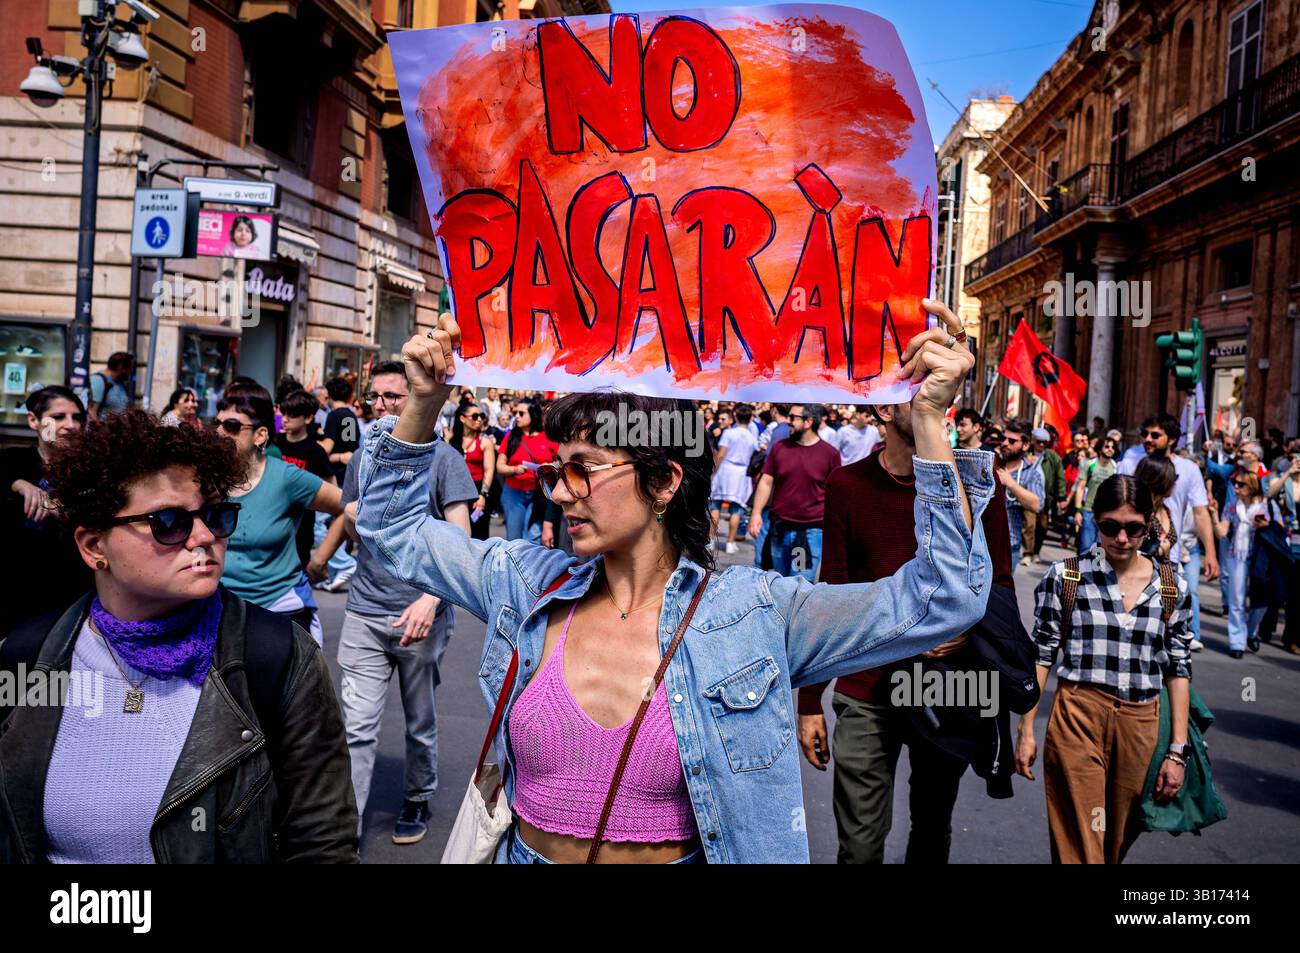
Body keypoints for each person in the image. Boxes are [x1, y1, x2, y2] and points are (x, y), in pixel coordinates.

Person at [355, 301, 989, 864]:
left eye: (585, 471)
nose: (561, 494)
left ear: (662, 482)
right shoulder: (526, 582)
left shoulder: (755, 614)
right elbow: (390, 532)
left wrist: (929, 421)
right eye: (558, 471)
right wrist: (422, 404)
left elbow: (943, 599)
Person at [0, 410, 357, 863]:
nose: (204, 536)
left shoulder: (275, 658)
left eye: (215, 514)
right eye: (169, 522)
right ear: (94, 547)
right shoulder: (31, 657)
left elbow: (322, 844)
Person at [797, 396, 1015, 864]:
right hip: (866, 687)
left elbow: (998, 582)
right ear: (882, 411)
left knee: (932, 831)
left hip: (946, 687)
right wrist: (810, 700)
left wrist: (967, 627)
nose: (932, 403)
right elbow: (831, 590)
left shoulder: (977, 484)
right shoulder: (848, 484)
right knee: (858, 846)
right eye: (916, 395)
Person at [310, 362, 478, 847]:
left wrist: (432, 599)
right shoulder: (364, 457)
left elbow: (459, 539)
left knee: (419, 718)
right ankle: (349, 826)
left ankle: (418, 795)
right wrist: (340, 527)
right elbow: (350, 507)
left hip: (419, 614)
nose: (381, 406)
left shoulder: (444, 459)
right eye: (376, 398)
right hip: (364, 609)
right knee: (357, 727)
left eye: (392, 397)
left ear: (418, 399)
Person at [1018, 474, 1192, 864]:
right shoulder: (1066, 577)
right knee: (1080, 844)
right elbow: (1042, 654)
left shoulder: (1171, 585)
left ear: (1150, 525)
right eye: (1110, 527)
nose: (1122, 539)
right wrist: (1026, 729)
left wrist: (1177, 750)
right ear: (1095, 521)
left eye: (1134, 528)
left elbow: (1179, 667)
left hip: (1142, 722)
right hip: (1078, 715)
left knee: (1113, 843)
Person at [214, 387, 343, 645]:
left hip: (279, 610)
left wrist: (320, 559)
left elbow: (348, 508)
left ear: (260, 435)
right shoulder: (209, 479)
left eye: (231, 425)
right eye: (216, 423)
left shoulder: (285, 478)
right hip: (219, 610)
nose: (219, 432)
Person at [0, 387, 91, 637]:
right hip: (13, 594)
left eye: (77, 418)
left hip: (67, 600)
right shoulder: (12, 462)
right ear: (33, 420)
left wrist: (57, 509)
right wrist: (17, 484)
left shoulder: (91, 472)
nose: (70, 425)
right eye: (59, 417)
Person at [747, 404, 842, 582]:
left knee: (798, 585)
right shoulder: (780, 448)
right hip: (779, 529)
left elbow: (836, 493)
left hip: (807, 535)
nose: (788, 422)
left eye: (793, 418)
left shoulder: (830, 454)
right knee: (779, 583)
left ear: (809, 421)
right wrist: (756, 513)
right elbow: (766, 481)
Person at [1214, 470, 1278, 658]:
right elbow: (1221, 532)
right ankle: (1237, 643)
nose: (1235, 487)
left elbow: (1279, 527)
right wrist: (1213, 515)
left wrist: (1266, 525)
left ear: (1251, 487)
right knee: (1236, 601)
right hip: (1237, 556)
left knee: (1263, 599)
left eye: (1240, 484)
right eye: (1234, 483)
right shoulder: (1232, 507)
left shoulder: (1266, 506)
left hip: (1260, 557)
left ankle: (1250, 631)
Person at [275, 388, 336, 571]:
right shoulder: (275, 443)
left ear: (308, 418)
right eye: (284, 413)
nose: (285, 419)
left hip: (301, 526)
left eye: (292, 415)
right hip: (274, 518)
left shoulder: (315, 451)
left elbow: (333, 487)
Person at [317, 377, 360, 588]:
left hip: (333, 474)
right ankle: (334, 571)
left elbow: (327, 447)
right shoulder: (350, 416)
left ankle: (340, 564)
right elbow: (351, 447)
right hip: (348, 474)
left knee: (324, 522)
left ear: (330, 394)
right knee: (337, 521)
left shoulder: (333, 415)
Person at [496, 395, 556, 542]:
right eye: (516, 413)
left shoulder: (547, 437)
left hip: (539, 495)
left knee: (533, 539)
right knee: (514, 540)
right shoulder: (511, 437)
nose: (517, 417)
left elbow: (560, 463)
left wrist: (549, 467)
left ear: (533, 415)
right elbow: (500, 466)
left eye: (521, 413)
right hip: (514, 494)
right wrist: (514, 470)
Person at [1263, 454, 1300, 653]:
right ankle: (1266, 627)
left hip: (1299, 546)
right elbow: (1269, 494)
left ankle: (1292, 639)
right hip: (1282, 541)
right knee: (1277, 590)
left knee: (1297, 596)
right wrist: (1288, 473)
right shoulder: (1280, 479)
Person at [448, 398, 498, 541]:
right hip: (455, 490)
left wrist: (483, 495)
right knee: (455, 534)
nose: (479, 420)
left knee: (478, 535)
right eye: (475, 416)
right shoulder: (451, 440)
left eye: (481, 416)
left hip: (477, 490)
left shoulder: (485, 441)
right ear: (462, 418)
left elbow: (489, 471)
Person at [709, 404, 756, 555]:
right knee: (736, 509)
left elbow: (721, 454)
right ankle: (730, 542)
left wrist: (714, 471)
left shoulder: (729, 433)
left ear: (735, 417)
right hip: (741, 473)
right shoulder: (752, 437)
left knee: (715, 505)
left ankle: (710, 540)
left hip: (726, 470)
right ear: (750, 419)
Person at [998, 419, 1044, 568]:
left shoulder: (1031, 474)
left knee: (1001, 591)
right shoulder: (991, 463)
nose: (1005, 443)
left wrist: (1010, 483)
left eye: (1012, 441)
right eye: (1003, 438)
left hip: (1008, 546)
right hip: (981, 542)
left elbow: (1037, 505)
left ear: (1025, 445)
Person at [1074, 434, 1119, 552]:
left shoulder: (1116, 468)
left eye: (1113, 447)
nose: (1110, 449)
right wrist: (1078, 511)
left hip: (1106, 515)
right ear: (1100, 448)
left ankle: (1096, 571)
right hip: (1088, 511)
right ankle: (1080, 570)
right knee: (1085, 548)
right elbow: (1080, 488)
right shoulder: (1090, 465)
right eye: (1107, 446)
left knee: (1100, 549)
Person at [1134, 456, 1178, 560]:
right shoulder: (1139, 512)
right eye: (1172, 478)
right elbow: (1130, 552)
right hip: (1145, 574)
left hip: (1166, 574)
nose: (1175, 483)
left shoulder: (1165, 509)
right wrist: (1159, 551)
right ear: (1159, 481)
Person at [88, 352, 134, 421]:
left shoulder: (120, 382)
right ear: (120, 366)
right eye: (129, 367)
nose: (131, 371)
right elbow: (91, 412)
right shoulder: (98, 381)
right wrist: (100, 430)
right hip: (103, 430)